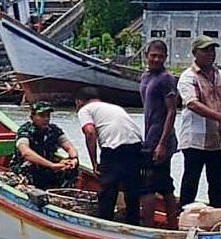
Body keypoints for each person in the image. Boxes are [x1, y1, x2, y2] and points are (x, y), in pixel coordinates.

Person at [177, 35, 221, 208]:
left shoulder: (219, 74)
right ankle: (183, 217)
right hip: (195, 139)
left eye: (212, 50)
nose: (211, 54)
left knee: (217, 185)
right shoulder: (188, 77)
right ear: (195, 53)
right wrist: (220, 118)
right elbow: (193, 104)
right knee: (190, 182)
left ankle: (217, 217)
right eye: (206, 50)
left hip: (218, 138)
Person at [74, 86, 145, 225]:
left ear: (79, 102)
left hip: (114, 148)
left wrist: (94, 162)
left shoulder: (85, 109)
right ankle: (134, 223)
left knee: (108, 190)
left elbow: (90, 132)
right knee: (132, 190)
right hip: (136, 146)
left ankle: (105, 224)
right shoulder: (114, 108)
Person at [139, 40, 179, 227]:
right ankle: (172, 224)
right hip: (150, 136)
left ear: (165, 58)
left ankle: (149, 226)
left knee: (147, 185)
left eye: (160, 56)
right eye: (153, 55)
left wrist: (162, 143)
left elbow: (171, 111)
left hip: (162, 139)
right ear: (146, 55)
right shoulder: (145, 76)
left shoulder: (166, 79)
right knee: (163, 182)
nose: (156, 59)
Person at [10, 101, 79, 190]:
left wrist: (73, 159)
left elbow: (69, 146)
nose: (46, 119)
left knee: (72, 167)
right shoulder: (25, 131)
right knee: (29, 165)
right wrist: (51, 165)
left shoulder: (53, 130)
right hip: (29, 168)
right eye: (42, 116)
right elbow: (25, 152)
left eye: (48, 116)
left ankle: (63, 190)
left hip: (48, 167)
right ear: (32, 117)